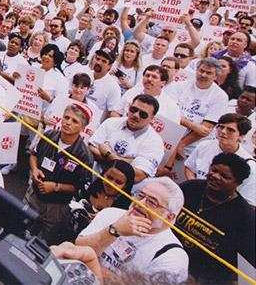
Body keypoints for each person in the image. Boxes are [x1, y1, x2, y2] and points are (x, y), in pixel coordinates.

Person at [76, 177, 189, 283]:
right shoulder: (111, 214)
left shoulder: (172, 256)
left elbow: (82, 255)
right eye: (140, 196)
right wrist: (114, 231)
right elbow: (78, 247)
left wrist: (92, 263)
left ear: (169, 217)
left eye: (152, 202)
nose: (140, 203)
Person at [176, 152, 255, 284]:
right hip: (169, 258)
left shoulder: (245, 218)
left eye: (225, 176)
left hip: (204, 278)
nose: (216, 176)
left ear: (237, 183)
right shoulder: (189, 188)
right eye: (214, 170)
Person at [26, 103, 94, 245]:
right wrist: (34, 169)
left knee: (47, 242)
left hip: (57, 207)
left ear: (82, 128)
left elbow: (80, 187)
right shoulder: (49, 135)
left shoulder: (84, 156)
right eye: (66, 117)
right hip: (33, 196)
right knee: (22, 225)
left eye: (74, 121)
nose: (68, 122)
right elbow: (34, 155)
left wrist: (56, 186)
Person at [164, 58, 230, 168]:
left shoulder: (220, 96)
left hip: (193, 148)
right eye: (201, 71)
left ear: (215, 76)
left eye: (209, 73)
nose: (203, 75)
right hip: (169, 141)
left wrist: (181, 144)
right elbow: (170, 114)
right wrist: (193, 125)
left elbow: (205, 128)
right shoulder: (179, 86)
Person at [88, 94, 164, 183]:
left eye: (143, 114)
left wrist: (108, 154)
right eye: (134, 109)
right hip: (94, 180)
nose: (136, 115)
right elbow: (91, 149)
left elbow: (137, 176)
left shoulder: (155, 142)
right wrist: (128, 162)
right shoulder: (111, 122)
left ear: (152, 118)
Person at [184, 113, 255, 205]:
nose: (223, 132)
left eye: (230, 130)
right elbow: (189, 168)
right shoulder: (204, 145)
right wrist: (195, 186)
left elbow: (249, 203)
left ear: (241, 136)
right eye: (221, 127)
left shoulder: (250, 166)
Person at [66, 159, 137, 242]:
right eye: (109, 177)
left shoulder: (125, 208)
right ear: (103, 174)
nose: (111, 184)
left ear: (126, 186)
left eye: (118, 182)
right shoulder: (87, 187)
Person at [86, 49, 122, 119]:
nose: (99, 62)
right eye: (97, 58)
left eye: (104, 61)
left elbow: (112, 113)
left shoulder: (113, 87)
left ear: (109, 66)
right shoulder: (84, 75)